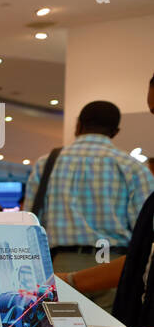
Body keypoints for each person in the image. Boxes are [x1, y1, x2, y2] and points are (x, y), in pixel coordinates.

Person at [23, 100, 154, 312]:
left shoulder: (47, 163)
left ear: (78, 125)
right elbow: (145, 230)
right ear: (116, 131)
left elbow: (29, 223)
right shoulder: (132, 168)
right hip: (112, 268)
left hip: (60, 267)